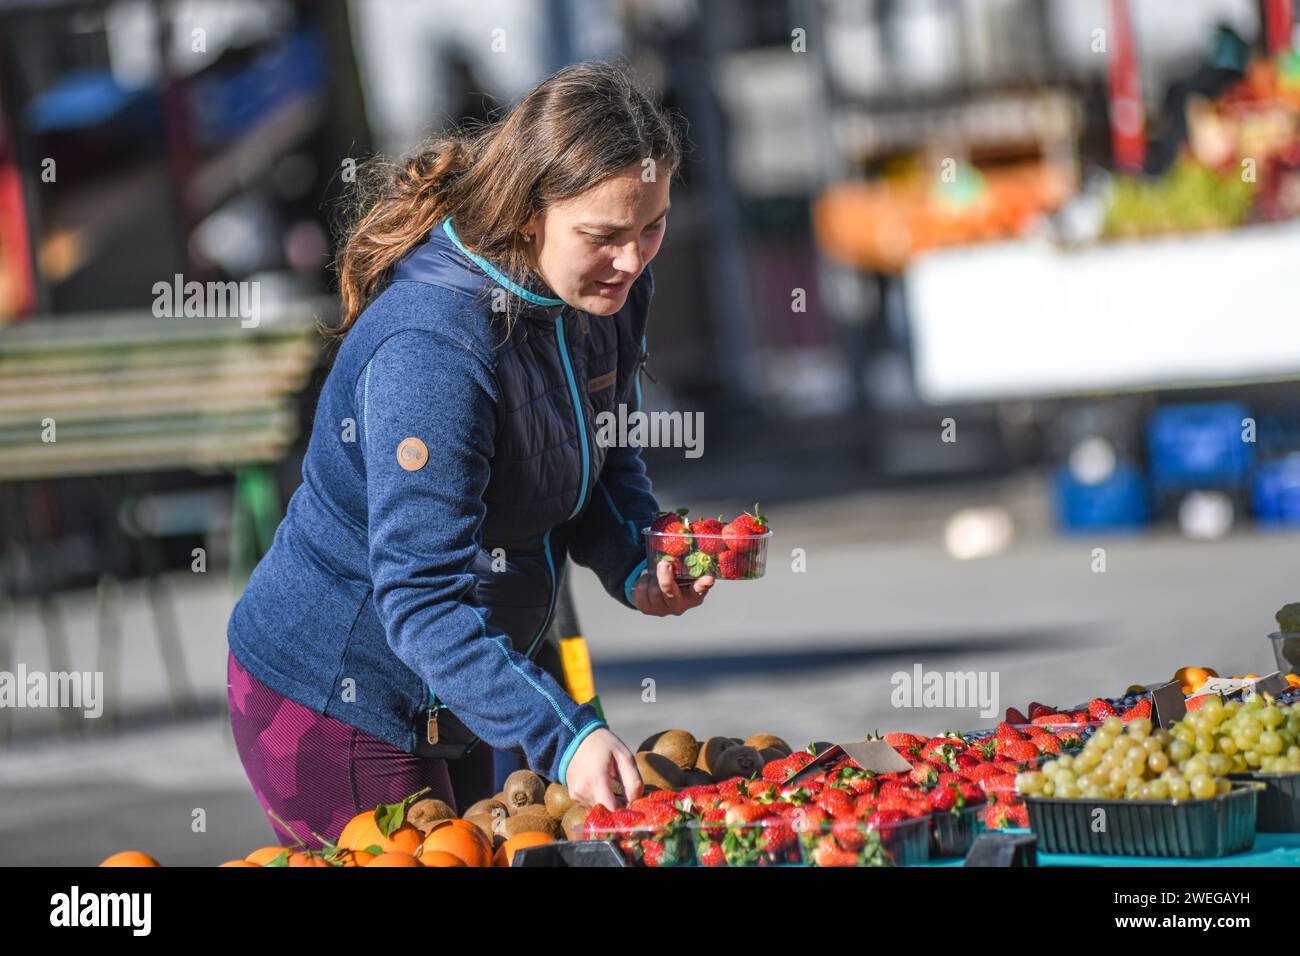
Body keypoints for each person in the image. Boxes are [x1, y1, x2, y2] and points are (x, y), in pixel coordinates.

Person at [225, 60, 711, 848]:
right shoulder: (436, 350)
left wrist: (635, 557)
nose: (632, 259)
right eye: (603, 236)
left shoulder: (605, 290)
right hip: (336, 697)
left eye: (650, 225)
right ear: (528, 216)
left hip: (468, 674)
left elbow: (602, 455)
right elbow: (419, 599)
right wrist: (568, 735)